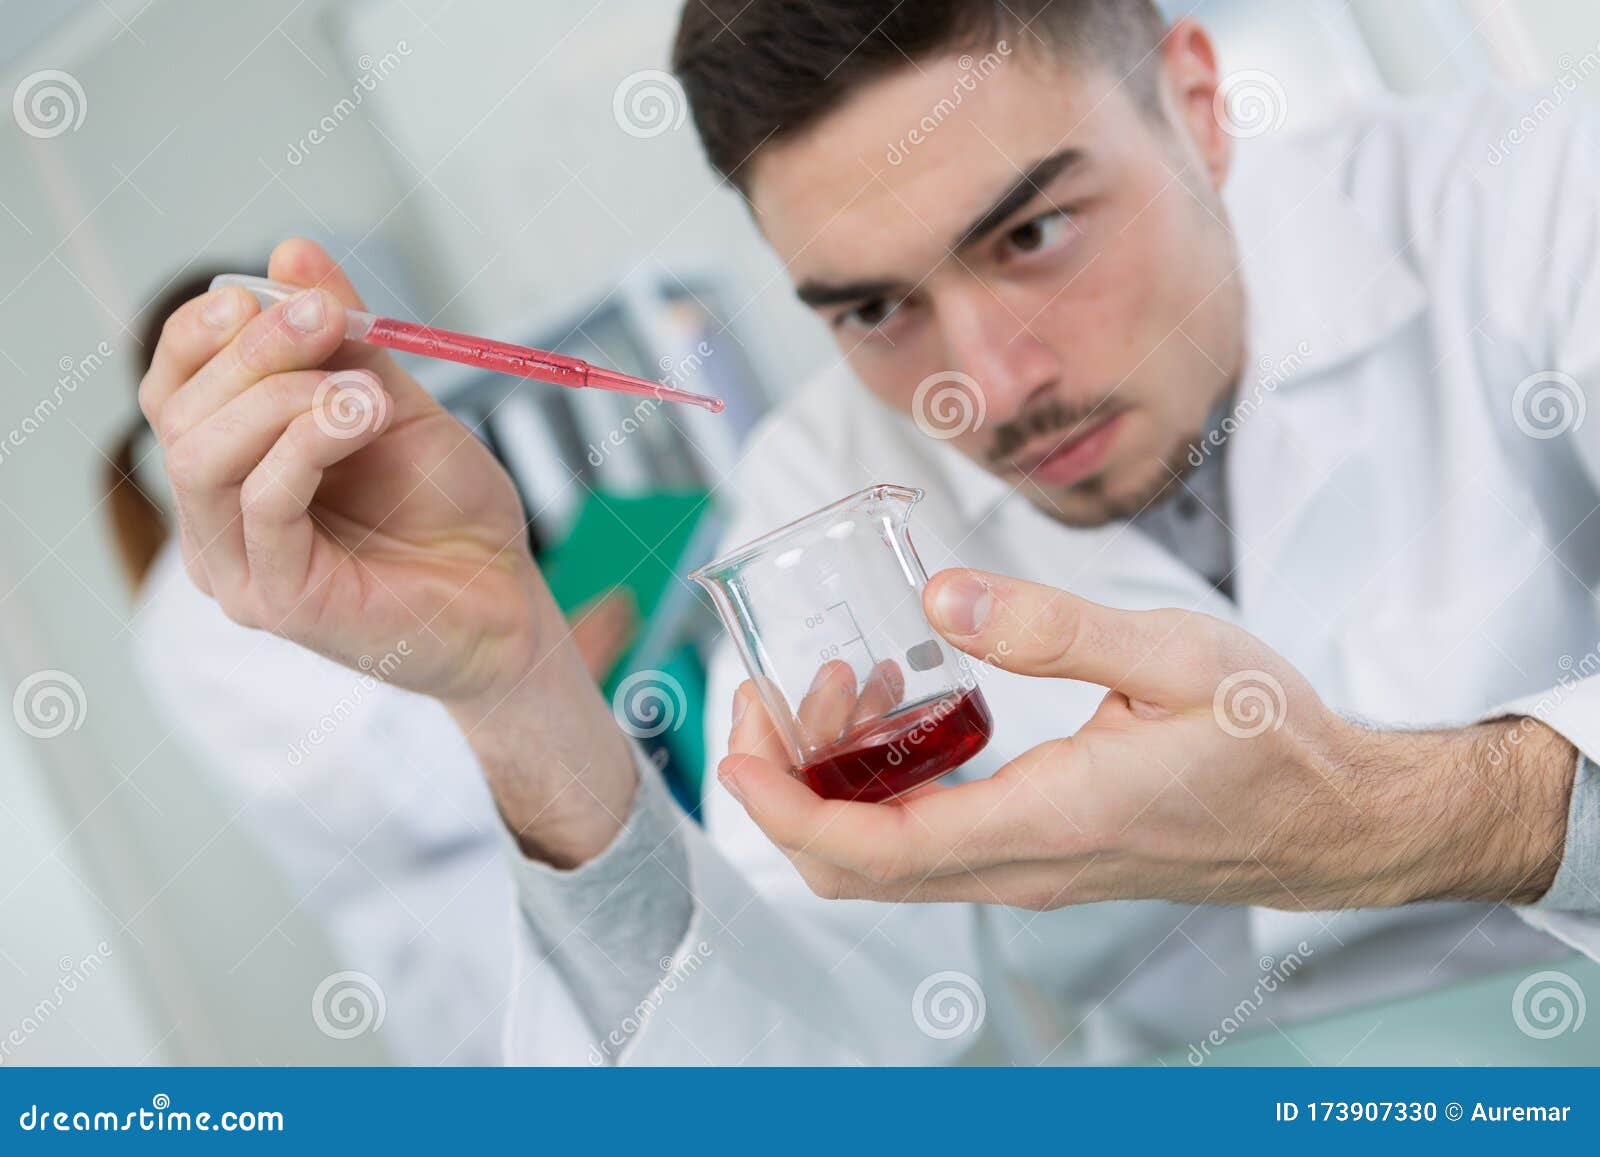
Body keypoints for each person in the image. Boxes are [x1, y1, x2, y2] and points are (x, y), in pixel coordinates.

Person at [135, 0, 1600, 1064]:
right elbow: (791, 1063)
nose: (989, 383)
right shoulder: (818, 490)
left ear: (1198, 105)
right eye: (872, 309)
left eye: (1032, 233)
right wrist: (513, 683)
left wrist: (1401, 816)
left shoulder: (1534, 202)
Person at [108, 273, 635, 1062]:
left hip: (561, 910)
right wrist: (543, 662)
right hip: (472, 958)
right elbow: (419, 788)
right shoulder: (188, 615)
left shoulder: (336, 507)